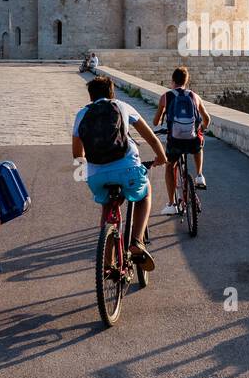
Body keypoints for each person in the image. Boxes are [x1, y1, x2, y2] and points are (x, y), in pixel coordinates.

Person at [72, 76, 165, 271]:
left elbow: (77, 154)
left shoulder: (82, 114)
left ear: (91, 96)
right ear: (112, 93)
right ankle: (137, 241)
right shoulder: (123, 106)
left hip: (97, 174)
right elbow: (150, 137)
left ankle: (108, 263)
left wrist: (87, 173)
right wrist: (161, 157)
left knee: (107, 207)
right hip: (127, 168)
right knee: (144, 191)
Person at [153, 66, 211, 216]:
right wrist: (201, 128)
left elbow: (155, 122)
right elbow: (207, 119)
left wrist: (162, 120)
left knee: (169, 166)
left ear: (172, 81)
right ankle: (199, 175)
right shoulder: (194, 96)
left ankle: (172, 204)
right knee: (199, 143)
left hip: (175, 141)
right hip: (192, 141)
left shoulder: (166, 97)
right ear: (186, 81)